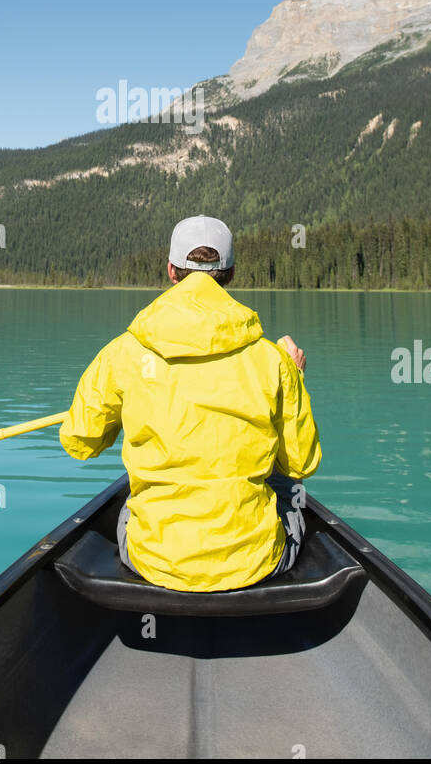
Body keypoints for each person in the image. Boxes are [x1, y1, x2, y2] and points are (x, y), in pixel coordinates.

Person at [59, 215, 321, 592]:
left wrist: (117, 411)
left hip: (153, 560)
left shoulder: (123, 353)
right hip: (256, 562)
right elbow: (301, 462)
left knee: (127, 502)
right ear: (230, 274)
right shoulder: (272, 360)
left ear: (171, 271)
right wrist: (294, 378)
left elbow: (79, 442)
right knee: (284, 482)